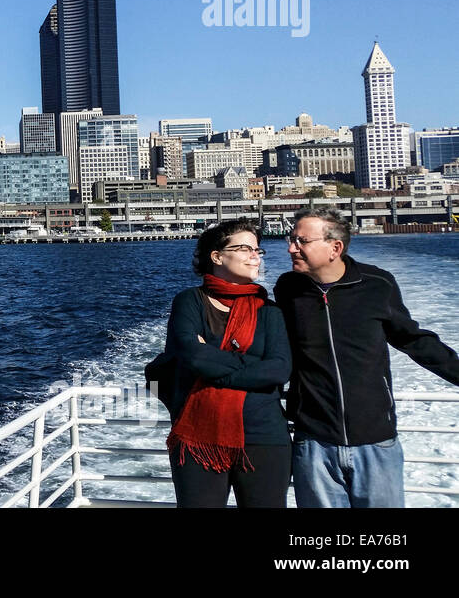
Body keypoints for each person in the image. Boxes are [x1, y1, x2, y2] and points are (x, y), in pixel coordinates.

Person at [274, 207, 459, 508]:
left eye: (301, 241)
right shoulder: (287, 289)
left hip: (376, 440)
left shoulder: (377, 284)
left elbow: (413, 339)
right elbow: (277, 349)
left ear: (335, 247)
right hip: (314, 442)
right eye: (291, 239)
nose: (291, 247)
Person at [162, 218, 292, 507]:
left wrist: (213, 367)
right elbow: (194, 357)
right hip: (199, 436)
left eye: (258, 250)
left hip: (264, 436)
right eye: (245, 248)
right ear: (217, 256)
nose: (254, 256)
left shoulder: (269, 311)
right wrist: (249, 366)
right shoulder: (189, 301)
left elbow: (279, 369)